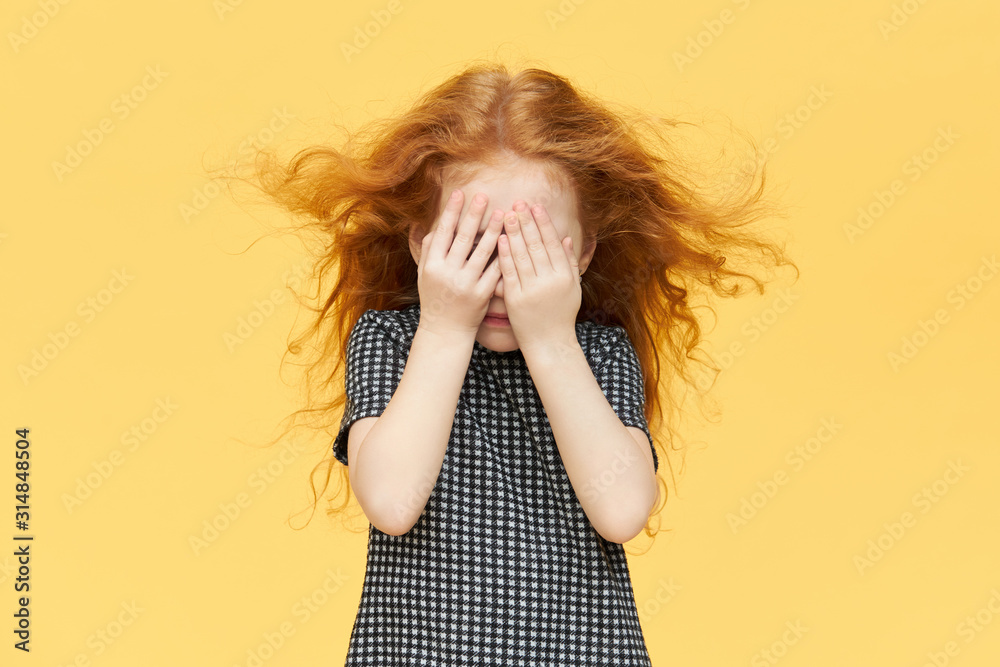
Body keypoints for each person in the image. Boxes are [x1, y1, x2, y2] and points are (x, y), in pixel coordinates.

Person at [241, 59, 797, 665]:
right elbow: (393, 504)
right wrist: (446, 325)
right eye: (473, 245)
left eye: (531, 251)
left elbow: (623, 511)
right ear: (421, 245)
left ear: (583, 252)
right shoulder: (392, 343)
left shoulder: (599, 354)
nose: (503, 279)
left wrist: (554, 341)